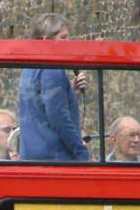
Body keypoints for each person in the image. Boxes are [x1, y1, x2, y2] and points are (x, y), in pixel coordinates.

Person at [18, 12, 91, 162]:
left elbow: (40, 107)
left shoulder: (28, 68)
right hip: (55, 157)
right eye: (63, 38)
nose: (68, 43)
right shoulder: (52, 67)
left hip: (32, 156)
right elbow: (58, 115)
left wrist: (71, 93)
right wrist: (81, 151)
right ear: (47, 41)